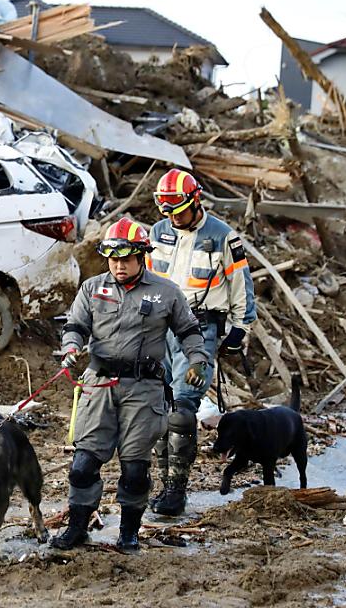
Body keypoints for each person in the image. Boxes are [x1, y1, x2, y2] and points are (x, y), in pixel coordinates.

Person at [50, 217, 206, 552]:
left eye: (125, 259)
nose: (119, 265)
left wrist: (196, 361)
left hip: (144, 387)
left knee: (135, 467)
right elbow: (75, 325)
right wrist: (71, 347)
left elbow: (190, 331)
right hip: (99, 384)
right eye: (113, 259)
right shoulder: (93, 288)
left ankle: (128, 533)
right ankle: (78, 528)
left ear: (141, 256)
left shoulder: (166, 292)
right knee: (83, 465)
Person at [148, 169, 256, 516]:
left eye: (178, 211)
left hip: (199, 327)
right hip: (157, 327)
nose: (172, 219)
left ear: (195, 201)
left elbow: (241, 286)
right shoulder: (158, 232)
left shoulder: (223, 237)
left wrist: (241, 329)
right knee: (157, 409)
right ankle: (161, 487)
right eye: (167, 212)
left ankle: (175, 491)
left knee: (182, 411)